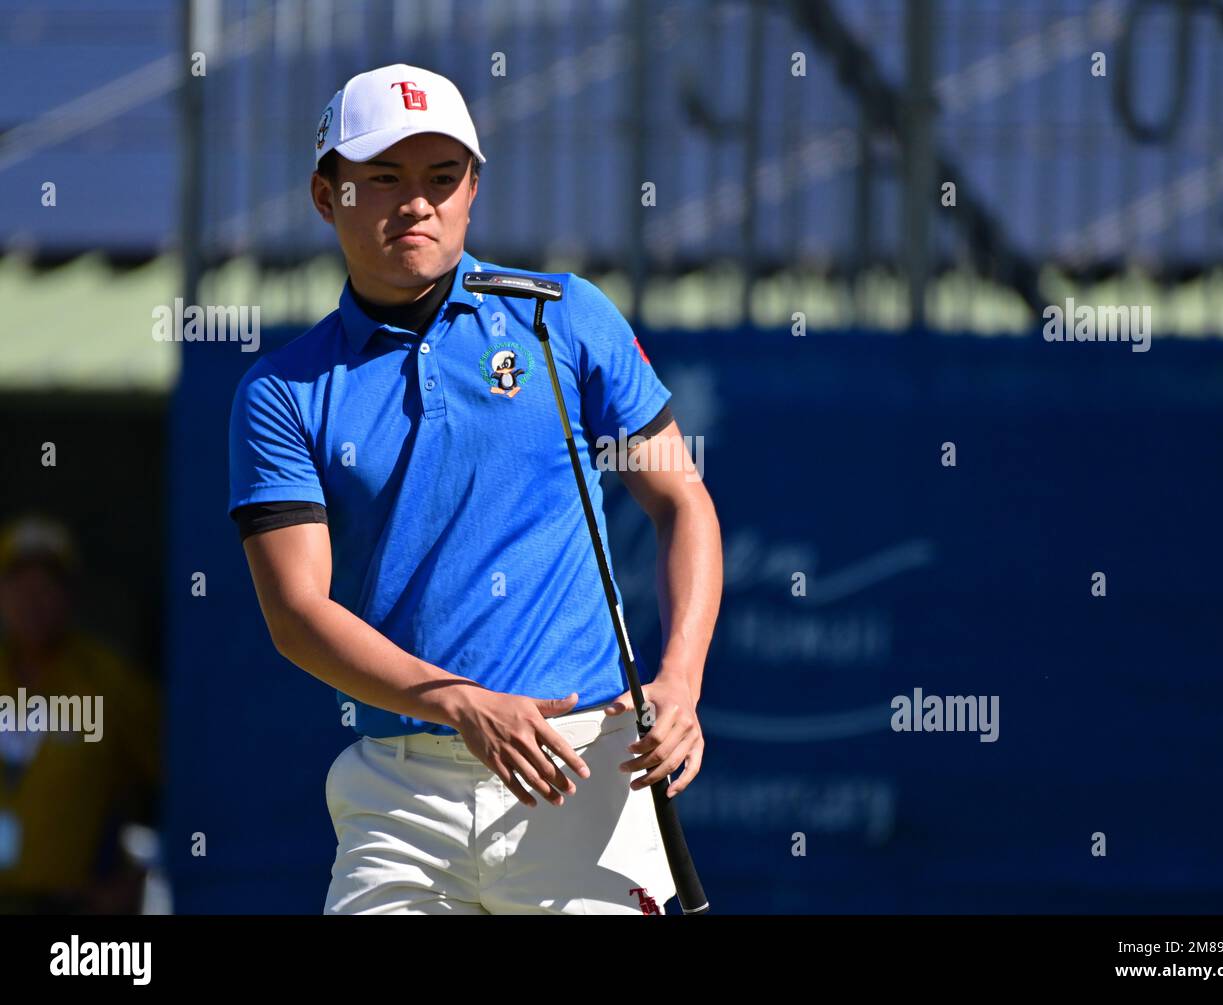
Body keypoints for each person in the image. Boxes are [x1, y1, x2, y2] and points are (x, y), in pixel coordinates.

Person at [227, 64, 723, 914]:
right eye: (382, 178)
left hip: (583, 771)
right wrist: (458, 701)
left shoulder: (561, 315)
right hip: (397, 792)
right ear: (325, 194)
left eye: (441, 177)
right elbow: (295, 612)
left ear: (472, 190)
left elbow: (682, 502)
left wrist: (680, 681)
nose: (415, 203)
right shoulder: (282, 389)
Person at [0, 515, 161, 914]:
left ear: (69, 594)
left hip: (68, 909)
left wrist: (139, 878)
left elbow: (183, 784)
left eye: (46, 585)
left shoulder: (110, 681)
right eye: (19, 584)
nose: (32, 598)